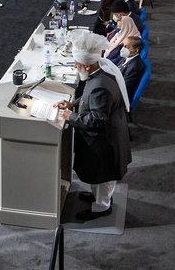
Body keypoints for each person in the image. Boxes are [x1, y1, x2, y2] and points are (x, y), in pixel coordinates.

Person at [53, 31, 131, 221]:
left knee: (103, 175)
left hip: (106, 141)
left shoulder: (100, 86)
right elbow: (89, 96)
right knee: (99, 173)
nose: (75, 66)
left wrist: (71, 116)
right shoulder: (100, 73)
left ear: (87, 65)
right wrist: (74, 104)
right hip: (107, 137)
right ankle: (98, 196)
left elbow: (97, 120)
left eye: (77, 64)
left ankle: (101, 207)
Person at [110, 36, 146, 104]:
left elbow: (123, 88)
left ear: (136, 50)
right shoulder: (127, 57)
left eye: (126, 47)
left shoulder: (135, 67)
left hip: (119, 100)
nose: (123, 48)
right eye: (123, 45)